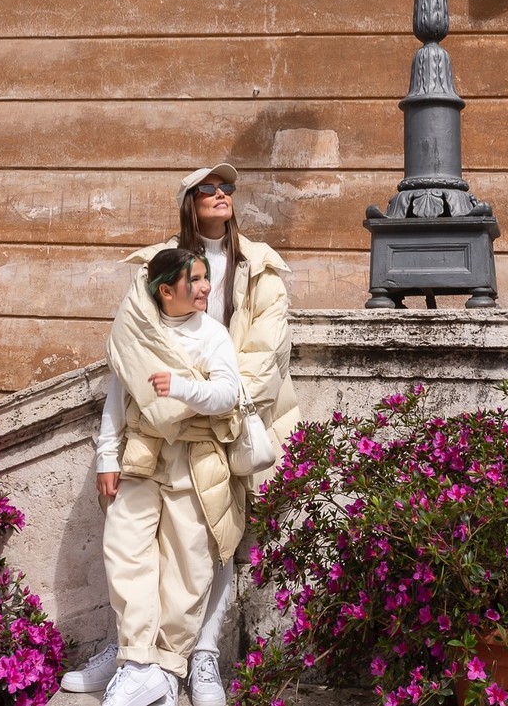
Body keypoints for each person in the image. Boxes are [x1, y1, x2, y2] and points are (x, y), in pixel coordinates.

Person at [62, 164, 298, 704]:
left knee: (210, 543)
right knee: (138, 546)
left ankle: (202, 655)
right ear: (188, 202)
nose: (221, 195)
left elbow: (260, 359)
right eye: (208, 189)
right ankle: (132, 655)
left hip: (231, 423)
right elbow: (131, 356)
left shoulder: (259, 267)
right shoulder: (155, 265)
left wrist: (206, 406)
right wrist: (116, 443)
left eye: (227, 189)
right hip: (156, 429)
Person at [67, 247, 243, 706]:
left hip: (195, 457)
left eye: (206, 278)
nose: (206, 287)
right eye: (196, 280)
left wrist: (180, 387)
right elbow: (118, 395)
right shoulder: (137, 332)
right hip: (141, 456)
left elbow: (228, 394)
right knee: (126, 551)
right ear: (166, 291)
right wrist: (107, 457)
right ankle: (138, 662)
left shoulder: (214, 334)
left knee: (188, 564)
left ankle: (166, 669)